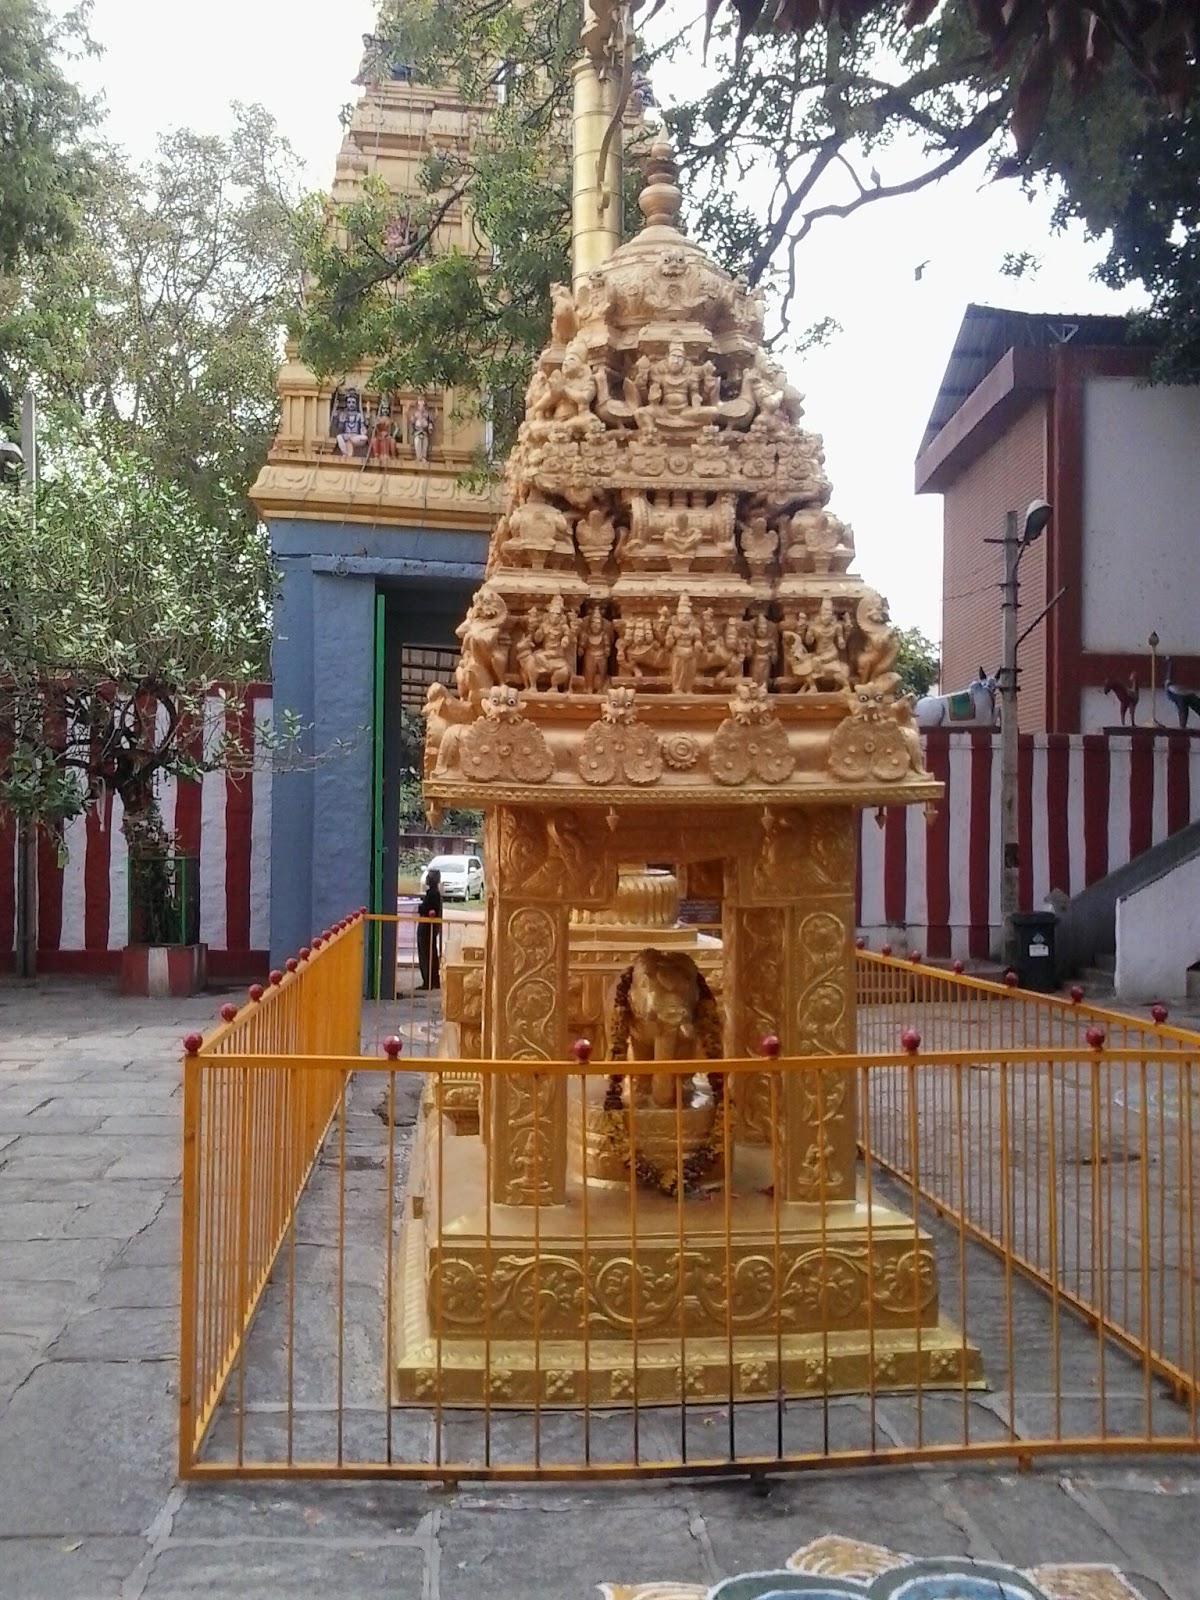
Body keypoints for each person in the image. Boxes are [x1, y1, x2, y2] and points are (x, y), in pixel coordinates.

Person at [416, 868, 442, 991]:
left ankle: (428, 981)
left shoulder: (432, 894)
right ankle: (434, 980)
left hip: (427, 928)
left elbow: (429, 911)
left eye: (429, 876)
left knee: (426, 954)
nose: (426, 878)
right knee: (432, 953)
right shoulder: (434, 893)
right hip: (431, 928)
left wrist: (421, 908)